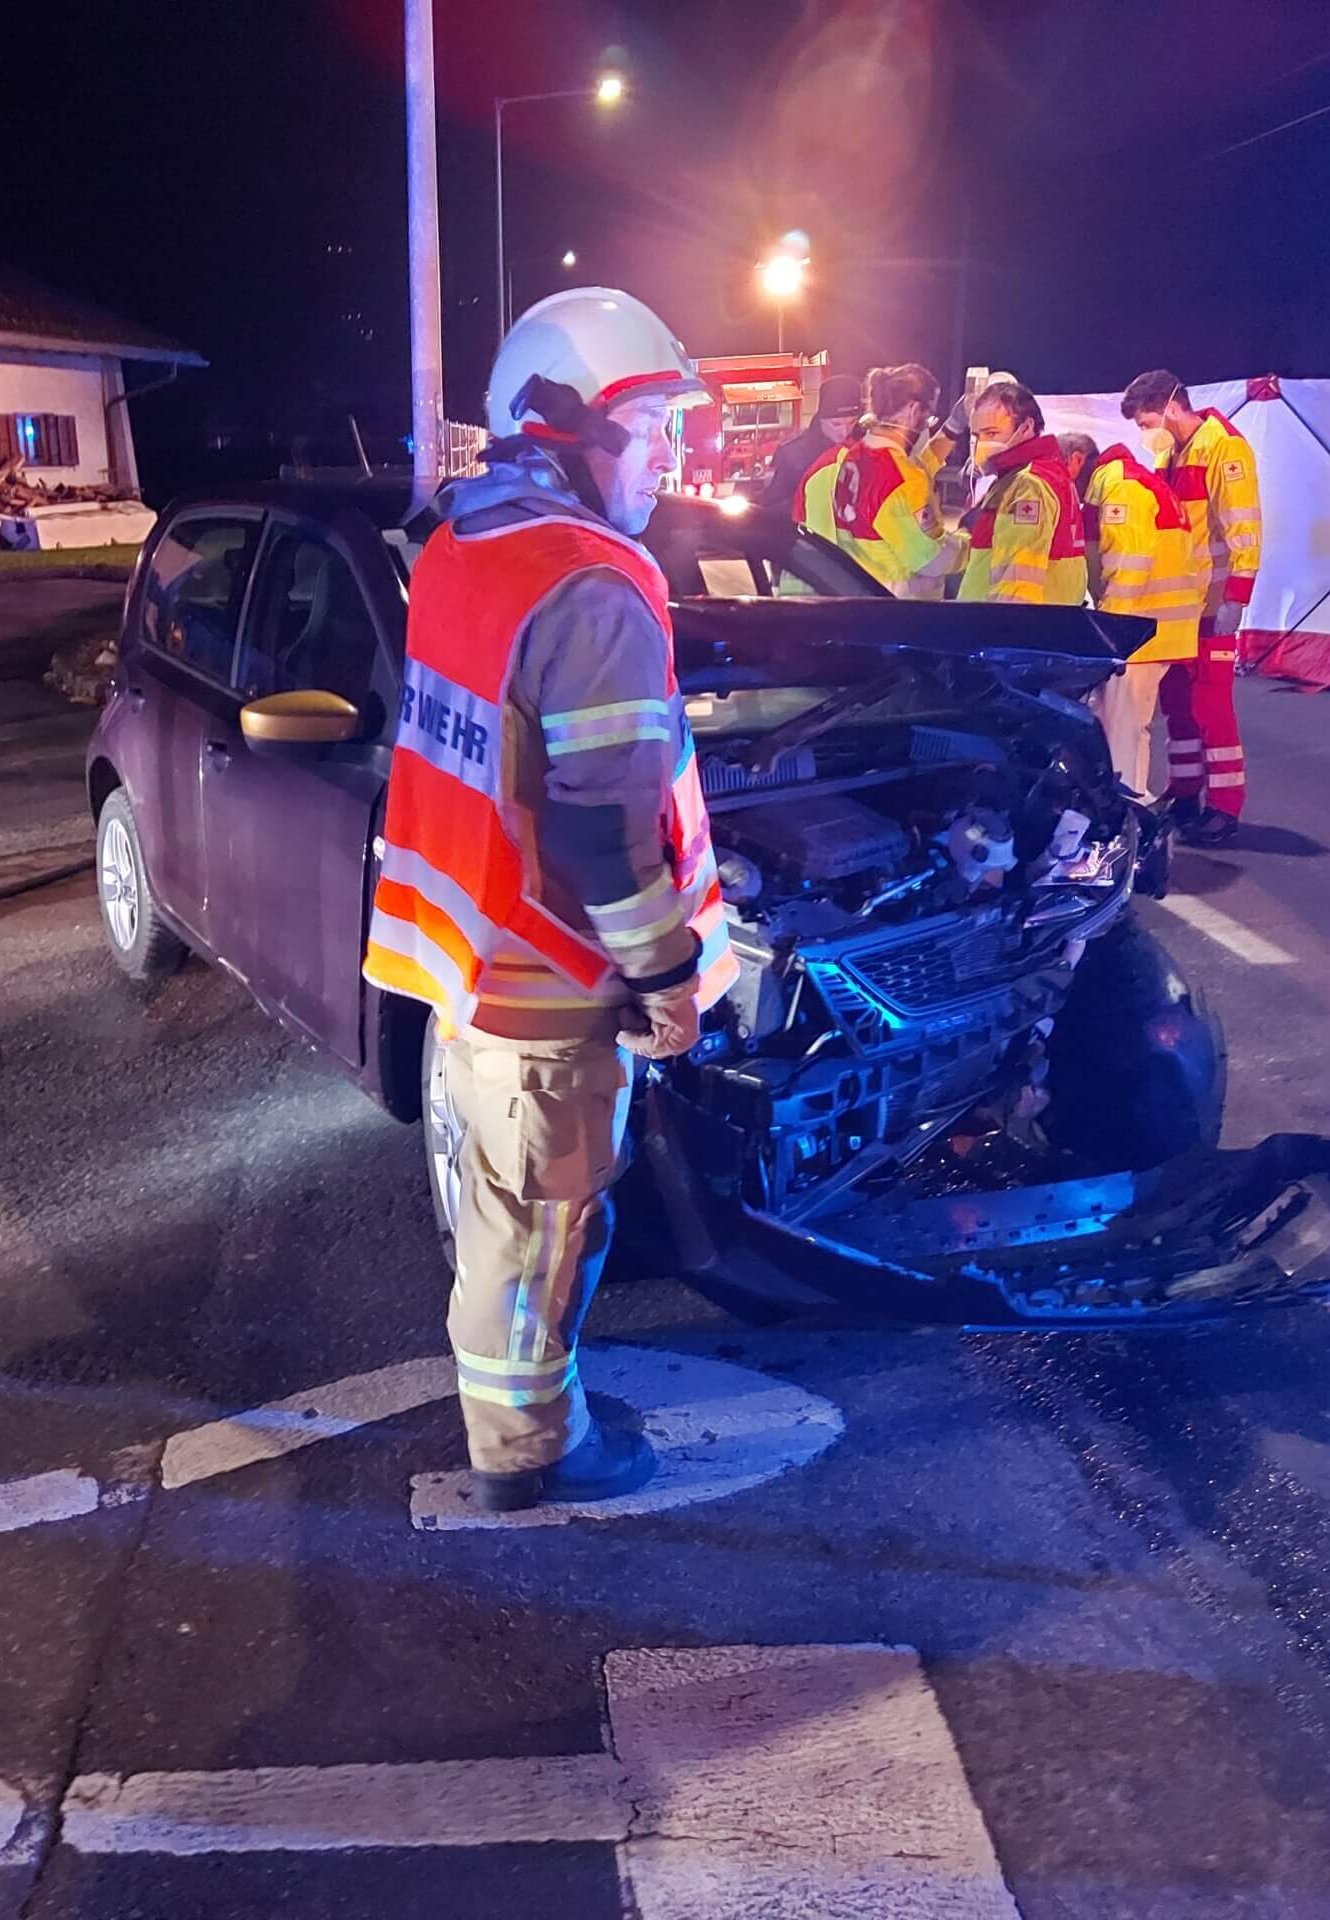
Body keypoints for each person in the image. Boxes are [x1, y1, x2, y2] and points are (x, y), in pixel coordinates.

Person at [362, 287, 737, 1516]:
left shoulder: (461, 547)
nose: (675, 458)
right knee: (542, 1232)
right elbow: (597, 822)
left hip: (470, 961)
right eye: (653, 427)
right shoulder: (591, 587)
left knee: (504, 1215)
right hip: (548, 980)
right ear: (563, 430)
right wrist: (669, 979)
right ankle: (531, 1452)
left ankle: (522, 1421)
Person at [1121, 370, 1261, 847]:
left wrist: (1236, 598)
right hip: (1179, 604)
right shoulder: (1168, 454)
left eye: (1147, 420)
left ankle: (1224, 807)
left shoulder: (1225, 447)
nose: (1146, 431)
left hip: (1213, 602)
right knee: (1177, 703)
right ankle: (1185, 793)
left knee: (1212, 704)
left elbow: (1242, 526)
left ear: (1171, 405)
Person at [1058, 432, 1203, 799]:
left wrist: (1110, 634)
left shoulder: (1121, 487)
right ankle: (1134, 804)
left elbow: (1129, 564)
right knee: (1130, 727)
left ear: (1076, 460)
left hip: (1137, 630)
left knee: (1120, 731)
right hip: (1155, 626)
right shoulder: (1130, 481)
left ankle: (1124, 812)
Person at [807, 363, 950, 596]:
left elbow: (916, 468)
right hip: (901, 608)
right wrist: (968, 543)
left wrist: (952, 430)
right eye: (929, 417)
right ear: (913, 410)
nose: (926, 425)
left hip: (861, 595)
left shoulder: (854, 458)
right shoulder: (900, 476)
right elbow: (928, 559)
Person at [954, 381, 1085, 606]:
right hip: (1045, 625)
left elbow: (1018, 583)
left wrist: (1003, 637)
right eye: (976, 435)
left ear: (1026, 427)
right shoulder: (1045, 473)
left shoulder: (1028, 484)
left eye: (991, 433)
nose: (981, 444)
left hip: (995, 628)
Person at [760, 372, 863, 521]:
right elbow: (772, 507)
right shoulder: (790, 454)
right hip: (812, 541)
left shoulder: (867, 448)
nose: (844, 432)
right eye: (836, 424)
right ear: (821, 420)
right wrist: (814, 504)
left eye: (852, 422)